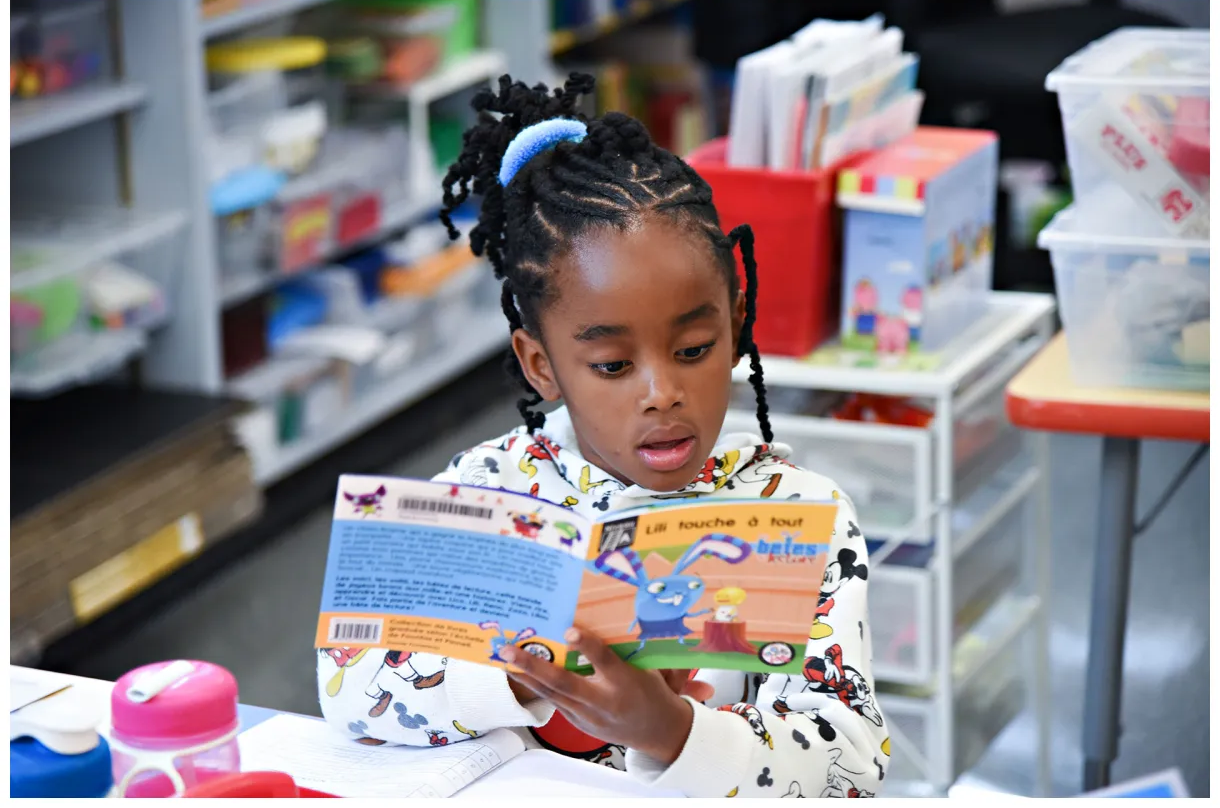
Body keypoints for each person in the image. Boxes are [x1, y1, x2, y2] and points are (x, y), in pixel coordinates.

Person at [317, 74, 887, 798]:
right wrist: (523, 674)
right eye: (612, 364)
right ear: (541, 364)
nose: (661, 392)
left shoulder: (800, 513)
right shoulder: (484, 486)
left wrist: (671, 731)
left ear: (736, 325)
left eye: (693, 349)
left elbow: (852, 767)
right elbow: (349, 686)